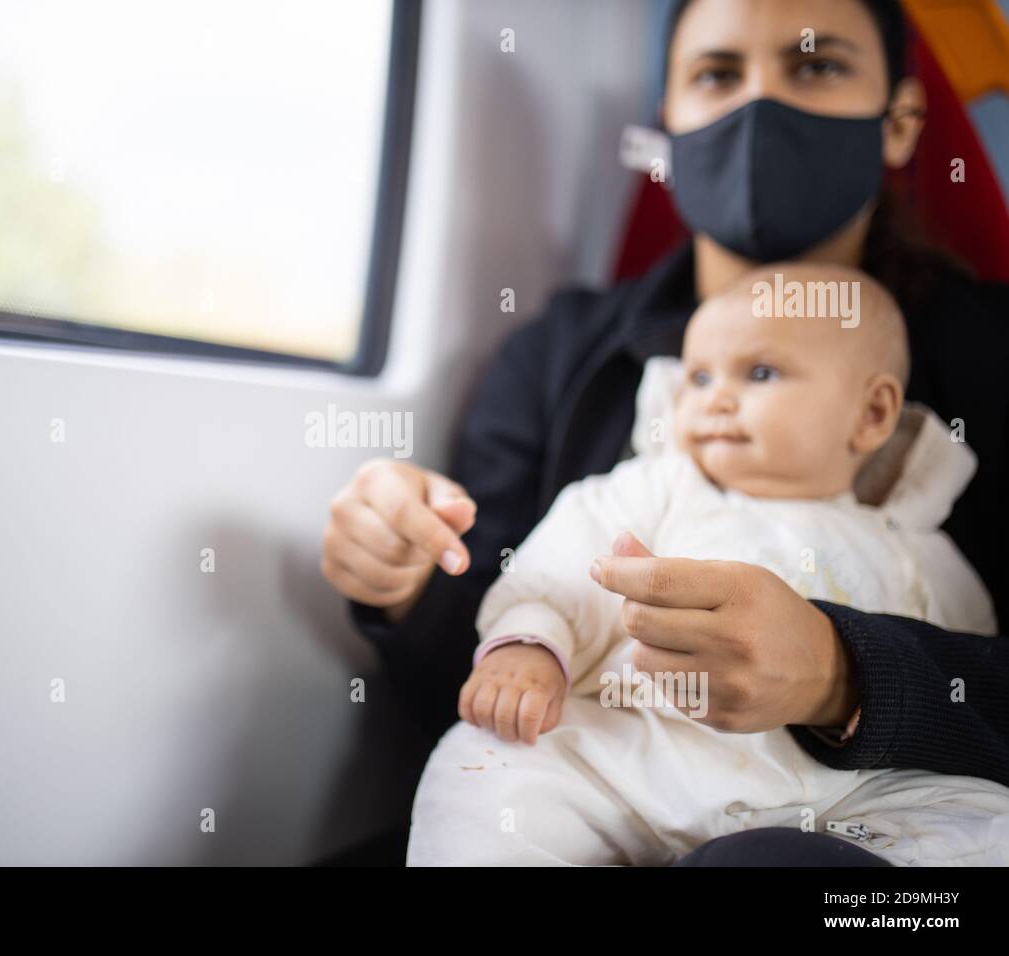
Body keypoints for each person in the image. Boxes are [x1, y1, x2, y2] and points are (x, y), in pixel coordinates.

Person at [319, 0, 1009, 861]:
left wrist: (843, 673)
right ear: (670, 124)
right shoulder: (557, 357)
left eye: (814, 65)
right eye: (717, 75)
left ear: (901, 122)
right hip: (601, 794)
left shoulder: (989, 359)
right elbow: (483, 688)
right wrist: (409, 578)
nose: (759, 108)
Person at [406, 264, 1008, 866]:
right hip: (633, 759)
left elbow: (963, 676)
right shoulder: (657, 487)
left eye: (761, 373)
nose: (715, 397)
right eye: (697, 376)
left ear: (872, 414)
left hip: (843, 802)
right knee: (483, 769)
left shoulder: (913, 544)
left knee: (985, 821)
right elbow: (561, 567)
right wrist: (530, 647)